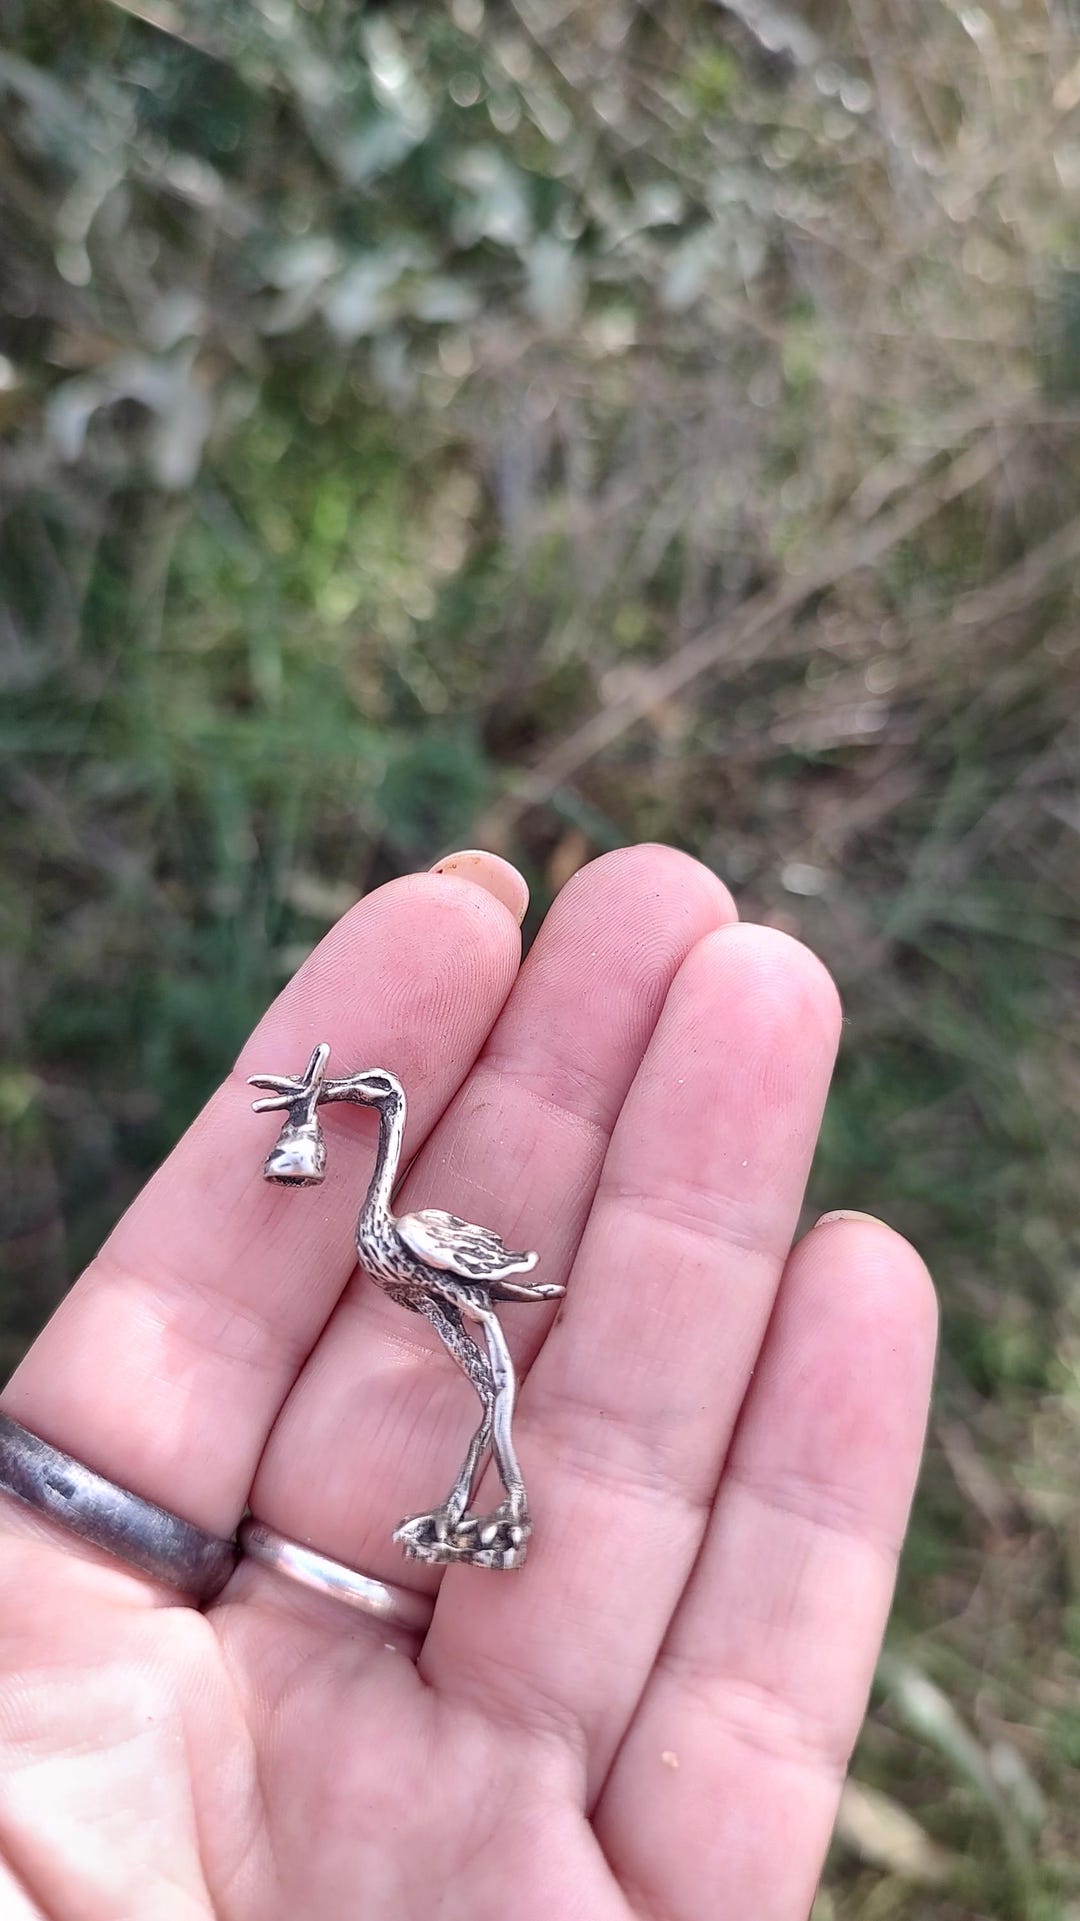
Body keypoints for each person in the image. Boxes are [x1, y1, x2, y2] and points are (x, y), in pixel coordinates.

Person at [0, 844, 936, 1920]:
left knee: (495, 1393)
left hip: (472, 1285)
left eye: (371, 1097)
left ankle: (492, 1515)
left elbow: (471, 1273)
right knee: (488, 1396)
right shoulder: (385, 1231)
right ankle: (474, 1515)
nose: (360, 1101)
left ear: (387, 1108)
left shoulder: (416, 1229)